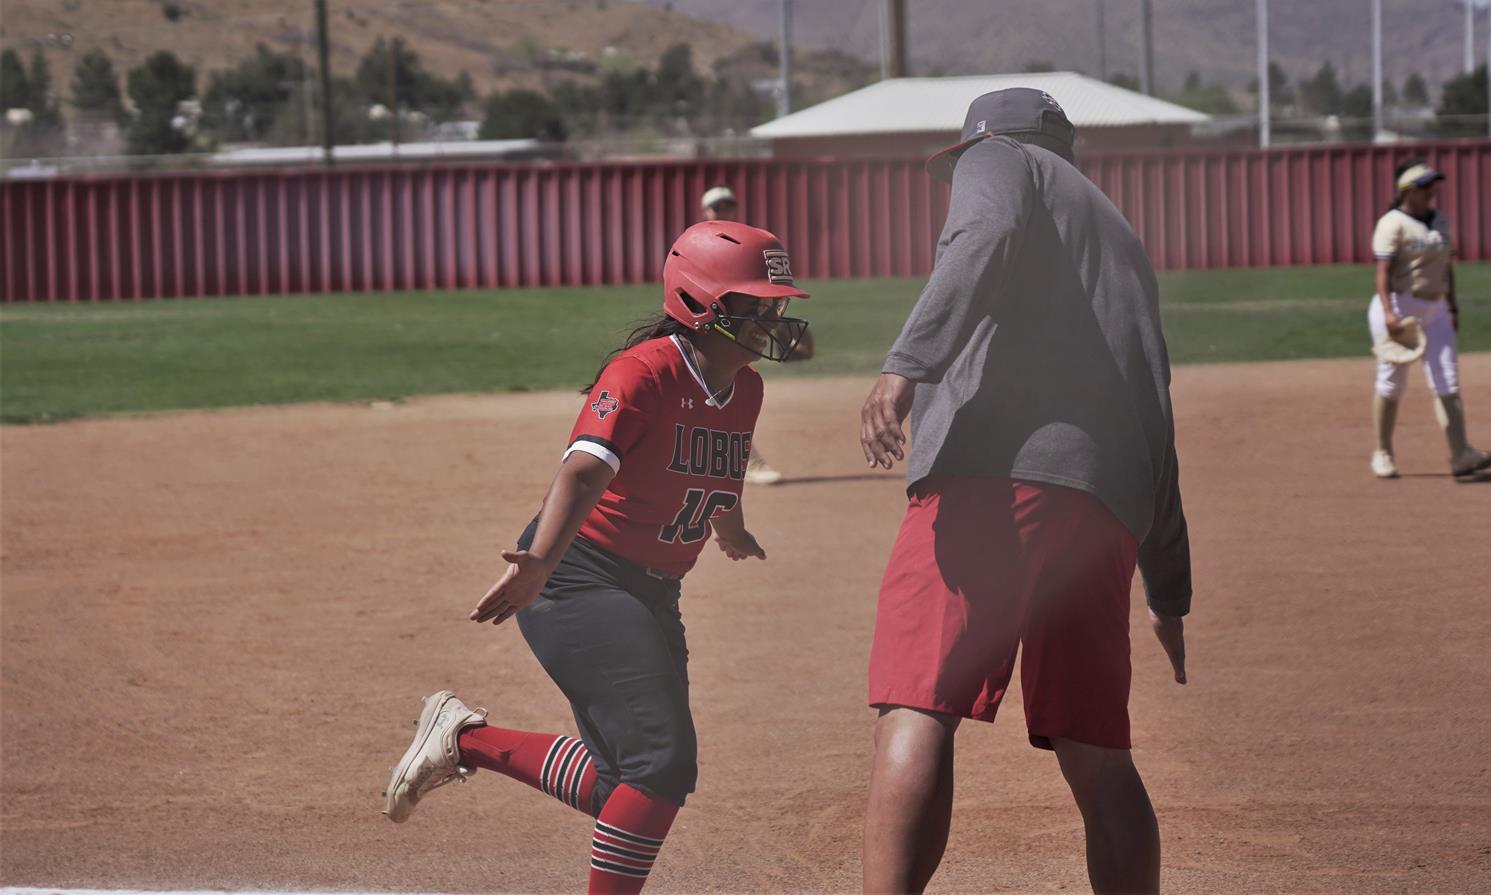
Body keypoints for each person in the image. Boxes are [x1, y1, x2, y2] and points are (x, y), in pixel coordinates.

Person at [381, 220, 810, 894]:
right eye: (750, 304)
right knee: (662, 763)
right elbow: (584, 471)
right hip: (578, 578)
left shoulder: (746, 389)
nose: (768, 318)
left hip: (651, 589)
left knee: (626, 776)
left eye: (773, 305)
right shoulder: (643, 372)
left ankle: (461, 738)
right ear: (700, 303)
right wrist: (539, 563)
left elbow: (718, 474)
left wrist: (731, 528)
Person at [857, 87, 1192, 895]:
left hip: (994, 477)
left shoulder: (998, 159)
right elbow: (1155, 402)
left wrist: (907, 366)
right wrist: (1169, 585)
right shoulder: (1118, 233)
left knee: (918, 703)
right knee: (1098, 748)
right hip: (1102, 509)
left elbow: (987, 233)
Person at [1368, 158, 1491, 479]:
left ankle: (1461, 455)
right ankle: (1382, 452)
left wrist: (1452, 308)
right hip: (1400, 307)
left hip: (1436, 309)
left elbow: (1446, 268)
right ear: (1408, 191)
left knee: (1447, 381)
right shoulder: (1392, 223)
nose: (1433, 191)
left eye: (1433, 184)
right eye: (1426, 185)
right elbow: (1382, 273)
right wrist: (1388, 313)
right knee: (1392, 382)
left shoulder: (1441, 220)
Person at [701, 185, 816, 484]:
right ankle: (745, 461)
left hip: (735, 323)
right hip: (711, 323)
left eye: (728, 206)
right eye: (717, 207)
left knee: (724, 387)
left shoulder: (748, 243)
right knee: (715, 387)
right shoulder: (700, 243)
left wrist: (776, 321)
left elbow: (757, 294)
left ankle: (736, 459)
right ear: (706, 211)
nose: (723, 212)